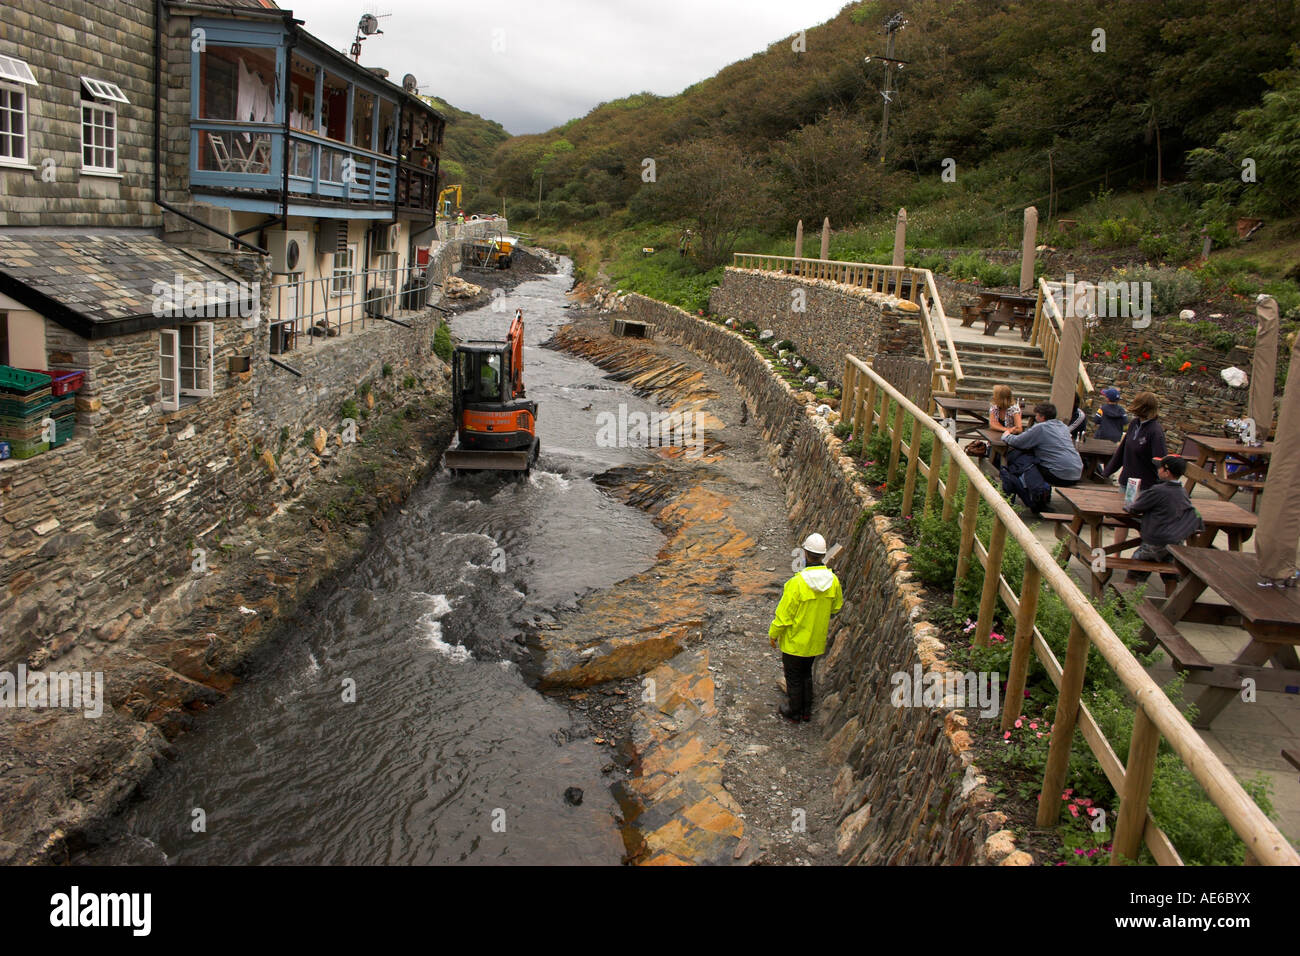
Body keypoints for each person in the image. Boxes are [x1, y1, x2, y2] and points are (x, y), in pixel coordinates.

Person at [769, 532, 843, 723]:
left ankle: (794, 711)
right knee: (806, 673)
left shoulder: (797, 583)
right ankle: (806, 711)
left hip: (795, 641)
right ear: (822, 555)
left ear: (805, 554)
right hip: (815, 640)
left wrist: (773, 634)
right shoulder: (833, 581)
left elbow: (783, 617)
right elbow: (836, 607)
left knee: (793, 676)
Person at [1122, 455, 1204, 590]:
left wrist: (1129, 505)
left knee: (1134, 570)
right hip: (1174, 542)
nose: (1158, 470)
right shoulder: (1183, 492)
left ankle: (1122, 602)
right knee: (1170, 575)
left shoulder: (1158, 490)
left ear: (1167, 472)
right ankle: (1171, 605)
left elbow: (1136, 508)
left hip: (1156, 540)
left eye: (1160, 468)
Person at [1102, 390, 1166, 547]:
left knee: (1141, 523)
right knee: (1121, 519)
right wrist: (1107, 472)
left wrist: (1165, 485)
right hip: (1127, 481)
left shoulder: (1155, 431)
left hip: (1146, 485)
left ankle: (1150, 552)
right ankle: (1116, 553)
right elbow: (1122, 450)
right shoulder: (1134, 424)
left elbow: (1160, 460)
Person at [999, 403, 1083, 513]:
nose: (1035, 417)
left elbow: (1018, 442)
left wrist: (1006, 435)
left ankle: (1036, 500)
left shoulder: (1040, 428)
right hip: (1076, 473)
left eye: (1036, 415)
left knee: (1026, 463)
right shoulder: (1062, 426)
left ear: (1042, 417)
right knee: (1041, 461)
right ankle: (1041, 499)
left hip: (1059, 475)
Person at [986, 384, 1022, 467]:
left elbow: (1019, 428)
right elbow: (992, 424)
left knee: (1004, 457)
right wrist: (1007, 430)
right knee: (992, 453)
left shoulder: (1014, 409)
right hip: (994, 440)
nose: (993, 397)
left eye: (995, 395)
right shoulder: (994, 408)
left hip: (1010, 444)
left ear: (1001, 398)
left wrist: (1002, 429)